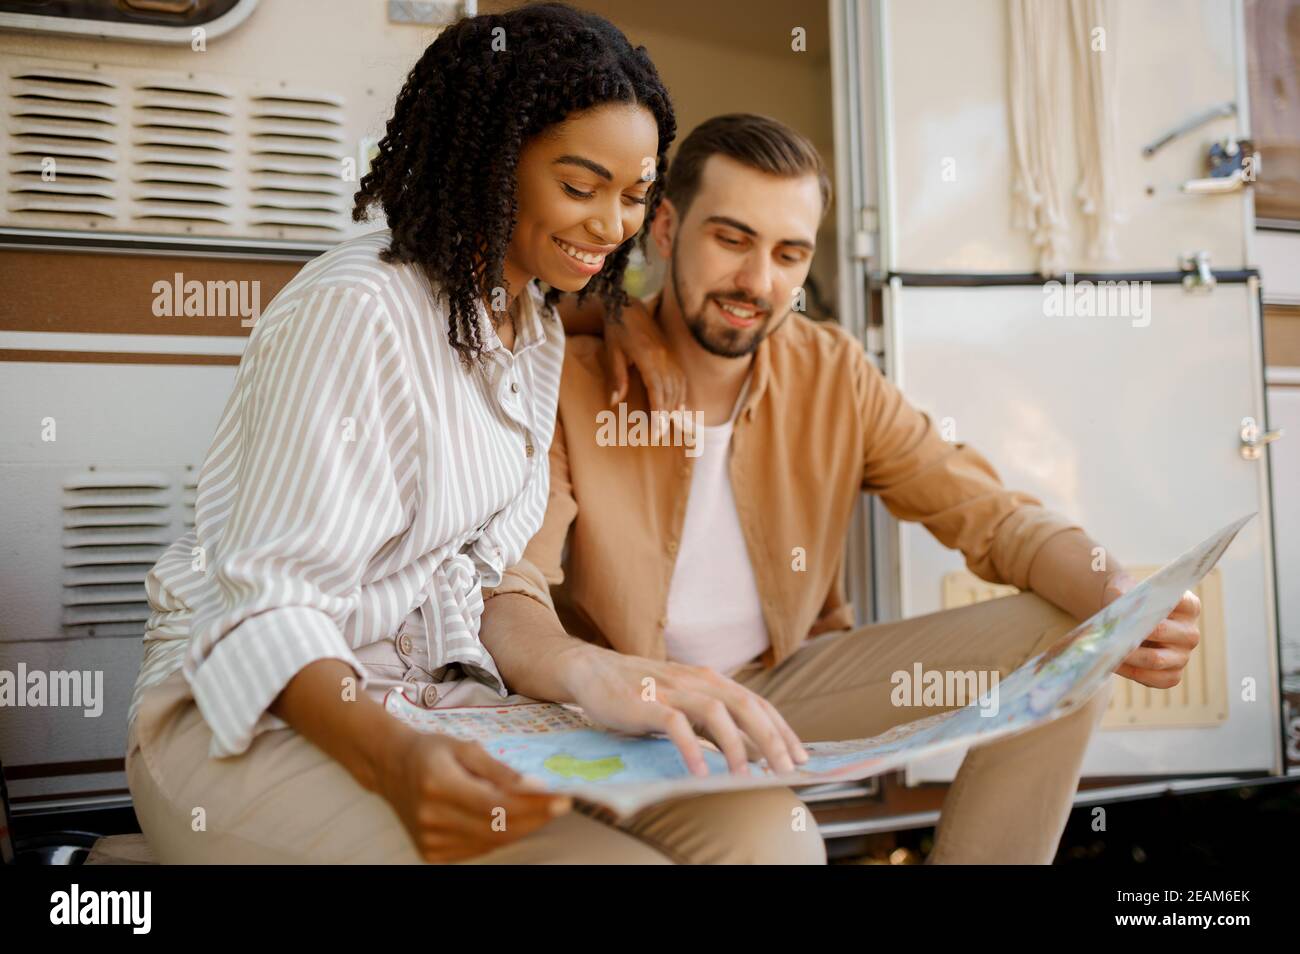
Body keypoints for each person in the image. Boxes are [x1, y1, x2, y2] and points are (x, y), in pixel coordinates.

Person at [125, 6, 823, 865]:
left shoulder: (534, 328)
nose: (611, 226)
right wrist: (395, 762)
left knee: (770, 834)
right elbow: (269, 610)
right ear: (497, 161)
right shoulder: (359, 308)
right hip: (263, 719)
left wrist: (591, 672)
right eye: (580, 187)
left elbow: (483, 583)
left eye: (636, 197)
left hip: (430, 699)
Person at [478, 113, 1204, 864]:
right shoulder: (574, 376)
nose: (758, 283)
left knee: (1075, 635)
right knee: (785, 847)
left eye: (789, 253)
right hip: (626, 711)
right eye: (731, 239)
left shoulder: (832, 371)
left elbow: (987, 515)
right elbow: (515, 583)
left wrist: (1117, 595)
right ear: (664, 227)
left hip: (780, 686)